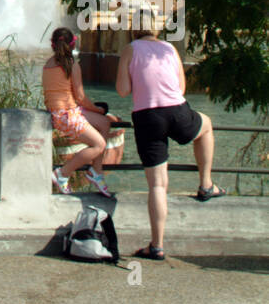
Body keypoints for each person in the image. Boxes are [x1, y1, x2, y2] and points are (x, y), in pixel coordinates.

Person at [116, 23, 225, 260]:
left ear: (134, 29)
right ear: (156, 29)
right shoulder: (169, 49)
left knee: (157, 185)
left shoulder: (130, 49)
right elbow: (181, 88)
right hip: (176, 111)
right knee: (205, 127)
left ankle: (157, 246)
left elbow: (123, 90)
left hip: (147, 117)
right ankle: (206, 184)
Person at [43, 28, 114, 197]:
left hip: (59, 113)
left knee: (104, 123)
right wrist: (98, 109)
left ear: (53, 45)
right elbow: (81, 97)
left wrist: (96, 113)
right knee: (99, 145)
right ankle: (62, 173)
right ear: (73, 44)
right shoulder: (72, 66)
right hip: (68, 115)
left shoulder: (47, 65)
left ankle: (96, 173)